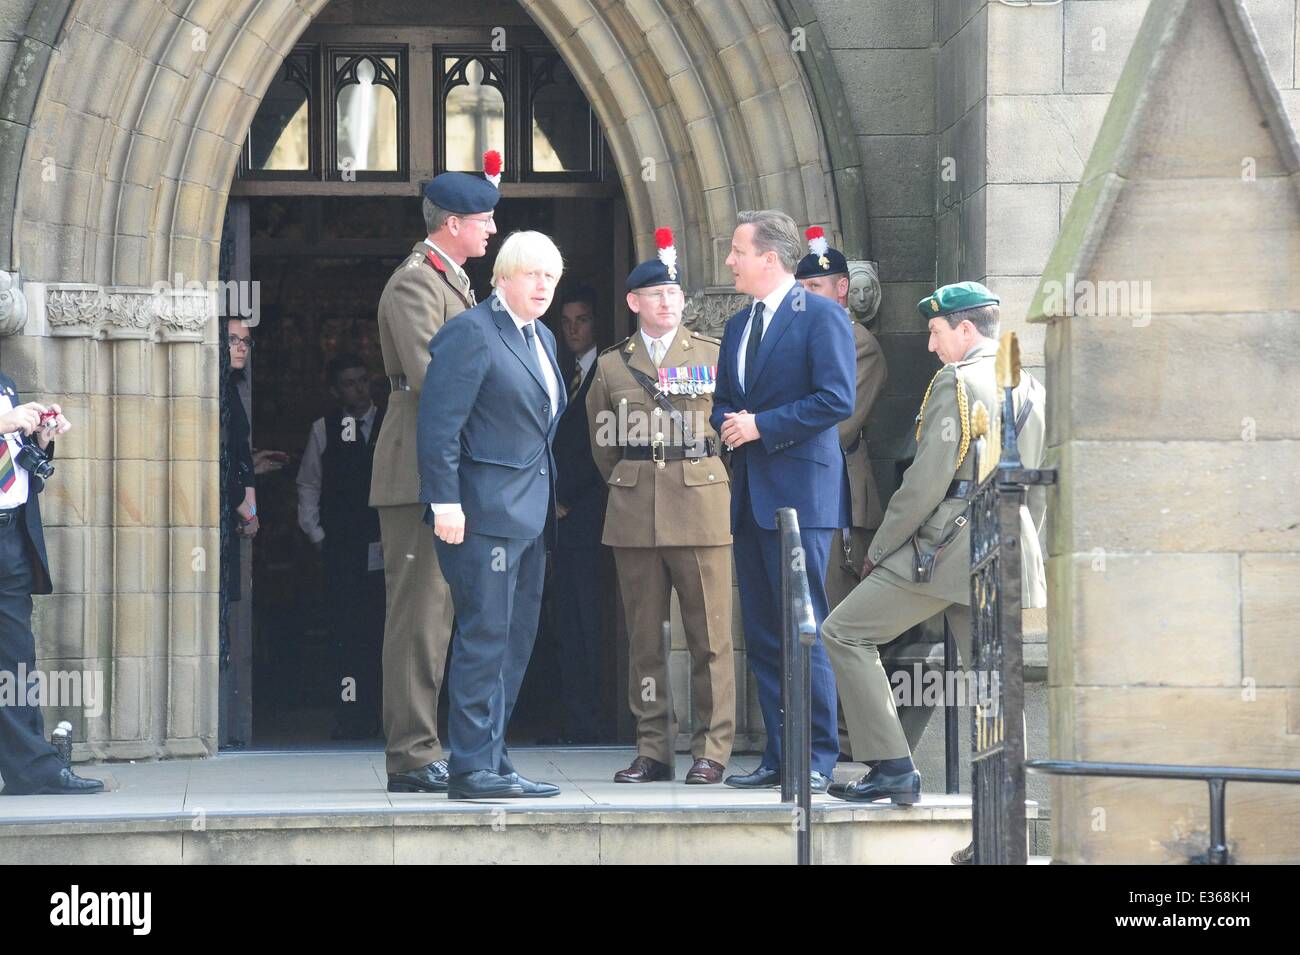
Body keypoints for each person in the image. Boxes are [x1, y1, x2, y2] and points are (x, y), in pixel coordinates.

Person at [820, 282, 1046, 806]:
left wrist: (882, 545)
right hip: (1004, 547)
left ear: (964, 329)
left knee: (844, 633)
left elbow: (925, 483)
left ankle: (894, 766)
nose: (930, 345)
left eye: (935, 331)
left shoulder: (956, 382)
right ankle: (1002, 824)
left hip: (943, 551)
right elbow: (1033, 485)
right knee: (993, 685)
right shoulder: (1028, 384)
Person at [710, 210, 855, 792]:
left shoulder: (820, 315)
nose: (729, 261)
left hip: (802, 496)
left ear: (769, 259)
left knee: (804, 627)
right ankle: (779, 754)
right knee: (766, 633)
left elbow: (836, 397)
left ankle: (816, 757)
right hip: (749, 497)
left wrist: (762, 426)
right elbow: (723, 401)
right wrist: (731, 423)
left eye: (737, 251)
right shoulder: (738, 326)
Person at [418, 230, 566, 800]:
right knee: (485, 636)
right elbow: (438, 425)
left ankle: (493, 759)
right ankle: (471, 768)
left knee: (514, 640)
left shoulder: (543, 338)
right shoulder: (472, 333)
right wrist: (444, 502)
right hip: (480, 514)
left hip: (530, 517)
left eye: (550, 277)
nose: (543, 286)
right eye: (532, 274)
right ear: (503, 276)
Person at [586, 228, 735, 784]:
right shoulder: (611, 366)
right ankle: (652, 747)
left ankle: (711, 750)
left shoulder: (713, 356)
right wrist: (634, 480)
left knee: (711, 637)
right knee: (645, 640)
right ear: (634, 303)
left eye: (674, 294)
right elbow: (603, 445)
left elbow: (729, 429)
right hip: (634, 510)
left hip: (699, 504)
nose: (669, 302)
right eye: (656, 294)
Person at [371, 161, 498, 793]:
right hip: (416, 469)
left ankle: (434, 744)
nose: (492, 230)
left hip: (446, 464)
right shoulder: (415, 284)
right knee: (419, 616)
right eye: (483, 220)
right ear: (453, 224)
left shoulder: (457, 283)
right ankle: (413, 754)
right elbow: (434, 378)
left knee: (445, 613)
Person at [0, 375, 102, 795]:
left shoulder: (3, 382)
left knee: (15, 661)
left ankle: (32, 772)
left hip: (11, 537)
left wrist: (38, 439)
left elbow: (16, 464)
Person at [794, 228, 887, 609]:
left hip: (835, 491)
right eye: (799, 289)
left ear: (842, 287)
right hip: (795, 488)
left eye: (814, 287)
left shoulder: (858, 343)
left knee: (831, 615)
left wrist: (771, 433)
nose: (803, 297)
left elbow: (838, 425)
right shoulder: (795, 340)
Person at [297, 354, 386, 739]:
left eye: (362, 380)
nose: (358, 389)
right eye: (349, 383)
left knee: (386, 632)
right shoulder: (325, 428)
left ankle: (390, 720)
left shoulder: (394, 422)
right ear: (336, 390)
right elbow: (309, 483)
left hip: (389, 546)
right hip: (344, 548)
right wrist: (316, 534)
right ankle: (352, 718)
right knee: (347, 633)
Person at [549, 284, 606, 743]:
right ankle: (569, 716)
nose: (572, 330)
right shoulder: (554, 369)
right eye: (565, 322)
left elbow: (606, 444)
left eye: (581, 320)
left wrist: (567, 494)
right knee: (562, 619)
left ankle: (595, 721)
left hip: (591, 514)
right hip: (551, 517)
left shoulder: (606, 371)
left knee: (592, 620)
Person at [222, 318, 258, 748]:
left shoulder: (230, 390)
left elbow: (241, 455)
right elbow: (223, 455)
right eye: (232, 339)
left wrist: (249, 501)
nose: (241, 347)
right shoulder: (218, 392)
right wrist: (246, 508)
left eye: (246, 342)